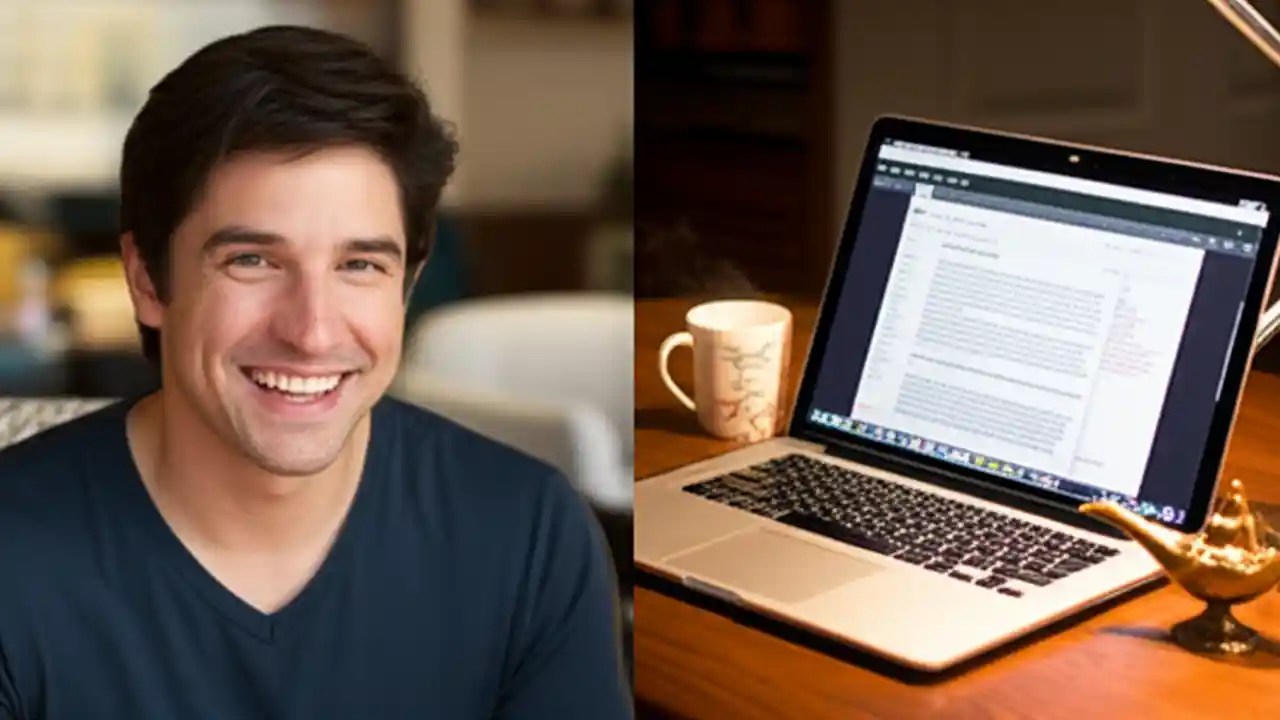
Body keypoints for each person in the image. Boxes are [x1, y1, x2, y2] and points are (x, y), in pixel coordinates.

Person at [0, 25, 630, 719]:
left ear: (408, 285)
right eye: (253, 261)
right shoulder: (16, 554)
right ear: (148, 279)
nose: (312, 331)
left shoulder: (529, 537)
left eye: (359, 265)